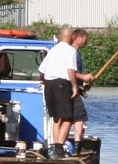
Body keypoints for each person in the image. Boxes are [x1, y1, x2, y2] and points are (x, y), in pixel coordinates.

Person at [34, 28, 79, 157]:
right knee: (68, 118)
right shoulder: (71, 50)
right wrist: (75, 86)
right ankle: (59, 148)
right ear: (71, 38)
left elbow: (41, 70)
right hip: (62, 84)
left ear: (60, 37)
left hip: (49, 84)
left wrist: (44, 82)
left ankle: (55, 148)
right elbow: (71, 70)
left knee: (56, 118)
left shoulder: (53, 50)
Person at [68, 29, 94, 151]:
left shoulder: (74, 53)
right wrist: (83, 77)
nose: (86, 42)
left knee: (69, 118)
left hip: (73, 88)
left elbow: (75, 73)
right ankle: (78, 146)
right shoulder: (72, 52)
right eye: (85, 39)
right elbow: (70, 71)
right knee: (79, 117)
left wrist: (84, 82)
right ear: (80, 38)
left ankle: (67, 145)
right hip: (71, 89)